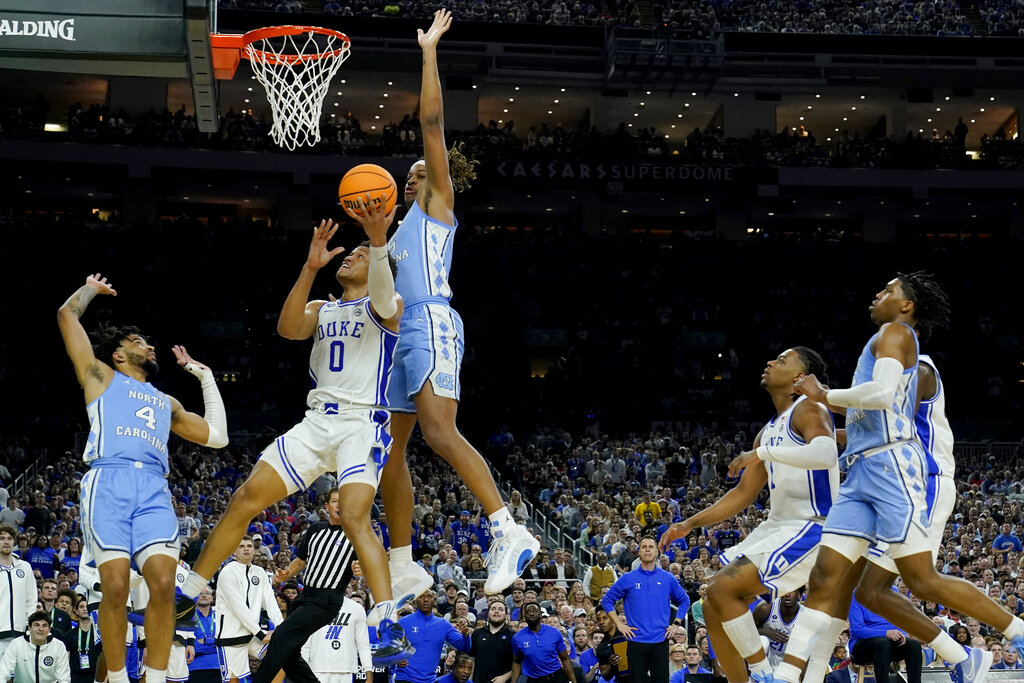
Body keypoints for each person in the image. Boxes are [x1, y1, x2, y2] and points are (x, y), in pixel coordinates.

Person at [177, 207, 411, 647]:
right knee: (244, 498)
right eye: (353, 253)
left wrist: (377, 242)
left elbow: (383, 298)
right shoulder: (323, 307)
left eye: (358, 255)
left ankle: (386, 624)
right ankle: (187, 598)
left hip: (362, 422)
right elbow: (287, 329)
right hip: (316, 422)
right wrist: (310, 266)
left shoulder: (388, 306)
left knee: (356, 517)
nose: (350, 257)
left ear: (377, 266)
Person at [783, 273, 1012, 683]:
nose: (877, 294)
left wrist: (823, 398)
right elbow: (864, 421)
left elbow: (882, 403)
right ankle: (960, 656)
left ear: (909, 311)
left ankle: (999, 641)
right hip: (881, 472)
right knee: (863, 590)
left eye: (888, 290)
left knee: (918, 580)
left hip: (920, 477)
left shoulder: (917, 363)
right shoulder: (888, 350)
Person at [381, 8, 539, 602]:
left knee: (440, 431)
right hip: (398, 335)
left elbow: (431, 121)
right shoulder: (392, 237)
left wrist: (428, 52)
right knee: (390, 447)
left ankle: (508, 530)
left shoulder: (438, 205)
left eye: (423, 169)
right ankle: (401, 561)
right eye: (412, 174)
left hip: (433, 323)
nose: (415, 173)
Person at [57, 272, 229, 683]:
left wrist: (204, 376)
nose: (148, 345)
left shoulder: (164, 400)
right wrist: (90, 291)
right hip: (108, 482)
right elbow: (67, 316)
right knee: (114, 588)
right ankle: (117, 678)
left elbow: (218, 437)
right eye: (138, 342)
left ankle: (153, 677)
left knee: (164, 583)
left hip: (153, 487)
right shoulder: (100, 377)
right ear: (117, 354)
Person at [659, 346, 837, 683]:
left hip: (815, 526)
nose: (770, 362)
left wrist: (760, 452)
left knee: (722, 590)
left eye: (782, 360)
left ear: (800, 377)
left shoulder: (809, 408)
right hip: (779, 526)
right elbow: (742, 494)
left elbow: (826, 453)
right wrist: (689, 522)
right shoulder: (768, 429)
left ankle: (762, 674)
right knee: (712, 602)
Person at [258, 487, 408, 683]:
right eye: (335, 501)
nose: (340, 505)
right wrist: (287, 574)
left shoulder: (356, 534)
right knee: (291, 652)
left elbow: (366, 562)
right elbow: (301, 561)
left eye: (344, 501)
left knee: (280, 638)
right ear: (327, 506)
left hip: (327, 600)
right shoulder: (314, 529)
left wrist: (359, 569)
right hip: (306, 596)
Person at [601, 536, 688, 683]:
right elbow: (607, 600)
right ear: (639, 552)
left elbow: (685, 600)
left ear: (657, 552)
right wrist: (619, 624)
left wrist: (676, 624)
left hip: (661, 641)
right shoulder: (627, 578)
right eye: (644, 547)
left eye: (651, 547)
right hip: (636, 641)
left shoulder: (668, 578)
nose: (647, 549)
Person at [215, 538, 283, 683]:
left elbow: (270, 601)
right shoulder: (227, 572)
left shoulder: (259, 572)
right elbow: (238, 608)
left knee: (283, 658)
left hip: (254, 636)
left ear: (254, 550)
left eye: (249, 546)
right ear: (234, 551)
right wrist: (260, 633)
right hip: (231, 636)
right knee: (233, 680)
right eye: (241, 546)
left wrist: (281, 628)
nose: (246, 549)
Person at [395, 591, 471, 683]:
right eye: (421, 597)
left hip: (430, 680)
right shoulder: (403, 622)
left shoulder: (443, 624)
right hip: (405, 679)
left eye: (429, 596)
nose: (426, 600)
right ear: (415, 601)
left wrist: (466, 635)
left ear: (434, 601)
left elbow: (464, 647)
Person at [847, 593, 922, 683]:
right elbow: (857, 630)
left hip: (888, 643)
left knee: (914, 645)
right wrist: (884, 633)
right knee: (882, 643)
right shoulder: (855, 595)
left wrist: (902, 634)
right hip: (862, 645)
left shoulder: (893, 592)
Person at [300, 596, 373, 683]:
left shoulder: (356, 608)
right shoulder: (312, 607)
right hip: (317, 670)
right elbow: (305, 645)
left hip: (346, 671)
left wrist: (369, 672)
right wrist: (303, 674)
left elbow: (363, 644)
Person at [511, 603, 578, 683]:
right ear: (524, 616)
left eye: (535, 611)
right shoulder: (517, 638)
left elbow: (565, 659)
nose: (531, 614)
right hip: (533, 680)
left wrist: (574, 681)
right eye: (528, 612)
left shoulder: (554, 632)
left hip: (556, 677)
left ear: (540, 615)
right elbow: (516, 662)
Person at [0, 611, 71, 683]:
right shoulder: (16, 644)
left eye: (44, 625)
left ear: (49, 629)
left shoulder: (59, 646)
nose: (40, 629)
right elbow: (3, 672)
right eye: (36, 625)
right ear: (29, 628)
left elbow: (64, 677)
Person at [0, 525, 37, 658]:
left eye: (9, 538)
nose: (6, 542)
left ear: (14, 541)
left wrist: (29, 624)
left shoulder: (25, 567)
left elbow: (31, 599)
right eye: (2, 538)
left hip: (20, 633)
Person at [753, 591, 802, 668]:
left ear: (799, 595)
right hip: (765, 656)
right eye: (786, 590)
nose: (788, 594)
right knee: (763, 640)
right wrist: (766, 632)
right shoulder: (765, 608)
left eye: (792, 591)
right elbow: (746, 632)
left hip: (788, 661)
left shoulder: (805, 616)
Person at [469, 601, 513, 683]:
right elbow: (472, 659)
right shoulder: (477, 633)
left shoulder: (513, 636)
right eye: (493, 609)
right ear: (488, 614)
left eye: (500, 609)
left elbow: (519, 663)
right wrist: (470, 680)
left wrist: (505, 677)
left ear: (506, 615)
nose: (496, 611)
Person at [61, 596, 101, 683]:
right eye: (81, 607)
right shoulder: (69, 635)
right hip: (75, 677)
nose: (85, 609)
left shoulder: (99, 635)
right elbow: (65, 662)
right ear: (76, 611)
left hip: (95, 677)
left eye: (87, 607)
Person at [187, 588, 219, 683]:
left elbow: (225, 643)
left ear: (212, 598)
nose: (204, 595)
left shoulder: (220, 617)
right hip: (196, 668)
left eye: (207, 593)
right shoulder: (188, 617)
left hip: (220, 668)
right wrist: (216, 645)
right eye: (200, 593)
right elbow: (190, 648)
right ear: (195, 597)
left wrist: (205, 641)